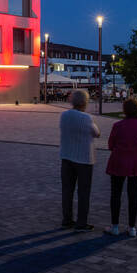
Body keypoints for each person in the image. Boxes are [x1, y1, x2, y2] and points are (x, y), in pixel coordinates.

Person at [104, 98, 137, 237]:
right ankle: (132, 227)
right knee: (133, 195)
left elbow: (111, 145)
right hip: (136, 163)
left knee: (116, 194)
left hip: (118, 162)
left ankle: (115, 226)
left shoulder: (118, 126)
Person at [59, 89, 100, 232]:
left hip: (66, 157)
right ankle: (81, 223)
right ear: (85, 102)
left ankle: (67, 220)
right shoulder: (86, 118)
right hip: (84, 159)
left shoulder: (64, 115)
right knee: (83, 192)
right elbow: (97, 133)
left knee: (67, 191)